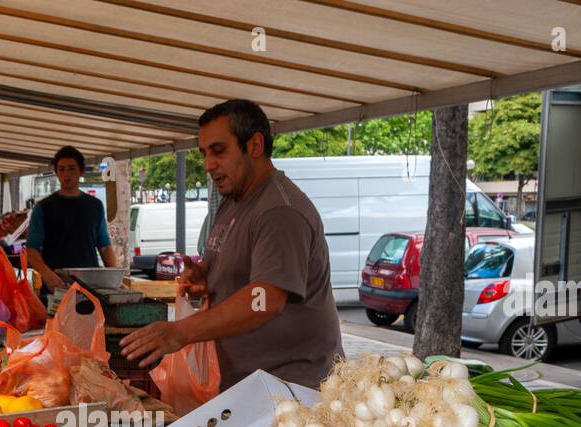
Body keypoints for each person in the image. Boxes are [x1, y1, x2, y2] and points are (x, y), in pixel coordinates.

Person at [121, 100, 343, 391]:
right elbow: (238, 274)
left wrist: (179, 332)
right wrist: (205, 279)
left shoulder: (279, 212)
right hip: (249, 385)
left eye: (218, 150)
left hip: (293, 391)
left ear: (255, 145)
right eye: (204, 153)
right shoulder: (233, 202)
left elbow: (265, 300)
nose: (208, 164)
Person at [25, 146, 117, 294]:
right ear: (56, 172)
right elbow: (32, 249)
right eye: (61, 169)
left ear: (81, 171)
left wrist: (115, 280)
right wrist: (47, 274)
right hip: (56, 287)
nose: (66, 174)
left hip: (90, 288)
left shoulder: (95, 206)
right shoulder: (43, 207)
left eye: (71, 168)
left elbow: (105, 246)